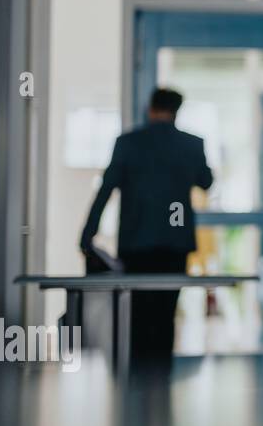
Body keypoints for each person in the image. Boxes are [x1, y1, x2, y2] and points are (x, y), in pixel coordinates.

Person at [79, 87, 214, 371]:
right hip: (175, 243)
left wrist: (88, 233)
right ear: (176, 112)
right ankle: (161, 379)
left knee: (139, 315)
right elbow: (206, 181)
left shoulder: (128, 143)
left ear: (150, 109)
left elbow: (105, 190)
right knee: (165, 315)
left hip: (136, 242)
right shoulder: (191, 145)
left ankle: (139, 384)